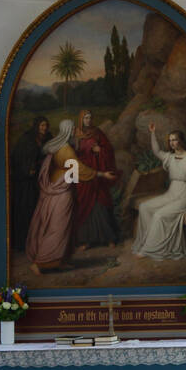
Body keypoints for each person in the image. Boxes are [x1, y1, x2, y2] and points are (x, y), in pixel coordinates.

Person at [26, 120, 110, 274]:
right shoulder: (65, 150)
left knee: (65, 226)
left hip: (59, 188)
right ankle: (40, 262)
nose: (74, 132)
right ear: (67, 131)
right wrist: (101, 173)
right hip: (62, 191)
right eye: (72, 130)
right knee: (59, 226)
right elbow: (79, 169)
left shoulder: (57, 147)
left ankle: (60, 260)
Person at [132, 124, 186, 262]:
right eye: (170, 140)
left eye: (175, 140)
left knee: (160, 215)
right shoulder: (170, 157)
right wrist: (153, 133)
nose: (172, 143)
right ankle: (146, 241)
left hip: (185, 196)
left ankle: (149, 249)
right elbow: (156, 151)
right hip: (172, 192)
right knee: (145, 207)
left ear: (181, 141)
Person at [72, 109, 120, 250]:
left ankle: (109, 238)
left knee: (101, 203)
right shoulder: (76, 134)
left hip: (98, 173)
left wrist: (100, 150)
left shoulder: (98, 132)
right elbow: (73, 154)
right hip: (84, 175)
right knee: (85, 205)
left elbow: (109, 150)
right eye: (85, 118)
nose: (88, 120)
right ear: (81, 119)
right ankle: (86, 240)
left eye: (90, 117)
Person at [9, 116, 49, 251]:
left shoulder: (46, 138)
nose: (44, 128)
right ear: (36, 126)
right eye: (42, 125)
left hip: (37, 180)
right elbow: (19, 158)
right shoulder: (27, 139)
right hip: (24, 182)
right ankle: (23, 242)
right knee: (26, 209)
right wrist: (28, 170)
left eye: (45, 126)